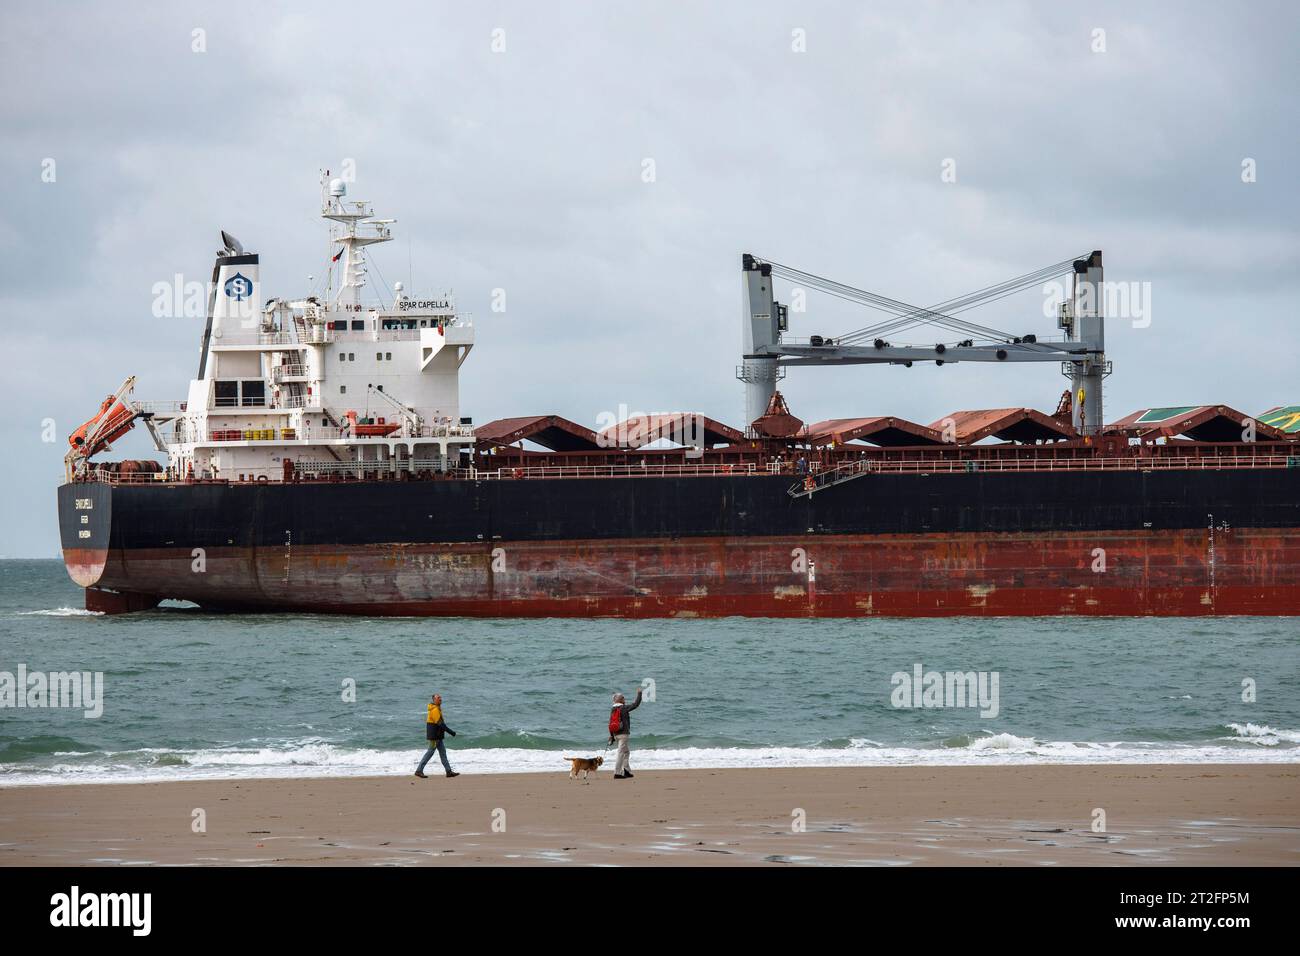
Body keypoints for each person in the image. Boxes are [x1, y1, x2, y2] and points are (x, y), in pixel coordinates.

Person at [415, 693, 460, 778]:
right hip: (435, 737)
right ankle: (419, 770)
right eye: (438, 698)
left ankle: (448, 771)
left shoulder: (437, 709)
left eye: (440, 697)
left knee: (443, 753)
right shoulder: (435, 710)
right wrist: (451, 732)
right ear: (434, 700)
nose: (440, 699)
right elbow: (440, 724)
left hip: (438, 736)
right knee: (430, 752)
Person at [608, 688, 643, 779]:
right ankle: (617, 773)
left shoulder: (613, 709)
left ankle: (627, 771)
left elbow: (610, 723)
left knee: (626, 752)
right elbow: (636, 704)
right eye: (623, 698)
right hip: (623, 735)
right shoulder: (623, 708)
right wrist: (639, 693)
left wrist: (611, 736)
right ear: (620, 700)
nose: (625, 700)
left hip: (616, 734)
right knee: (620, 753)